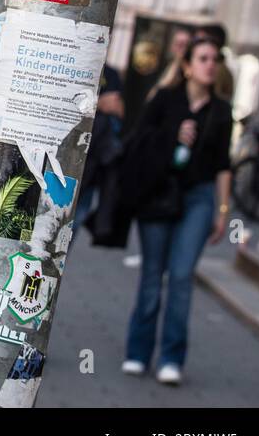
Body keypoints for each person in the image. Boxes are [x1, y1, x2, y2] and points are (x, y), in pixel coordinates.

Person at [122, 36, 233, 386]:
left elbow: (224, 164)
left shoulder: (221, 110)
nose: (210, 64)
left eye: (215, 59)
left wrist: (223, 209)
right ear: (186, 66)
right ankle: (138, 353)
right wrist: (174, 133)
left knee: (182, 276)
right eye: (203, 58)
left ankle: (171, 357)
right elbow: (138, 141)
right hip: (158, 193)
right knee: (154, 274)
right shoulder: (164, 99)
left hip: (198, 199)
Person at [73, 64, 125, 233]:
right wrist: (98, 103)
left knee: (73, 223)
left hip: (92, 162)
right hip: (67, 155)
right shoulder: (77, 63)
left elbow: (119, 109)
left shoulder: (111, 73)